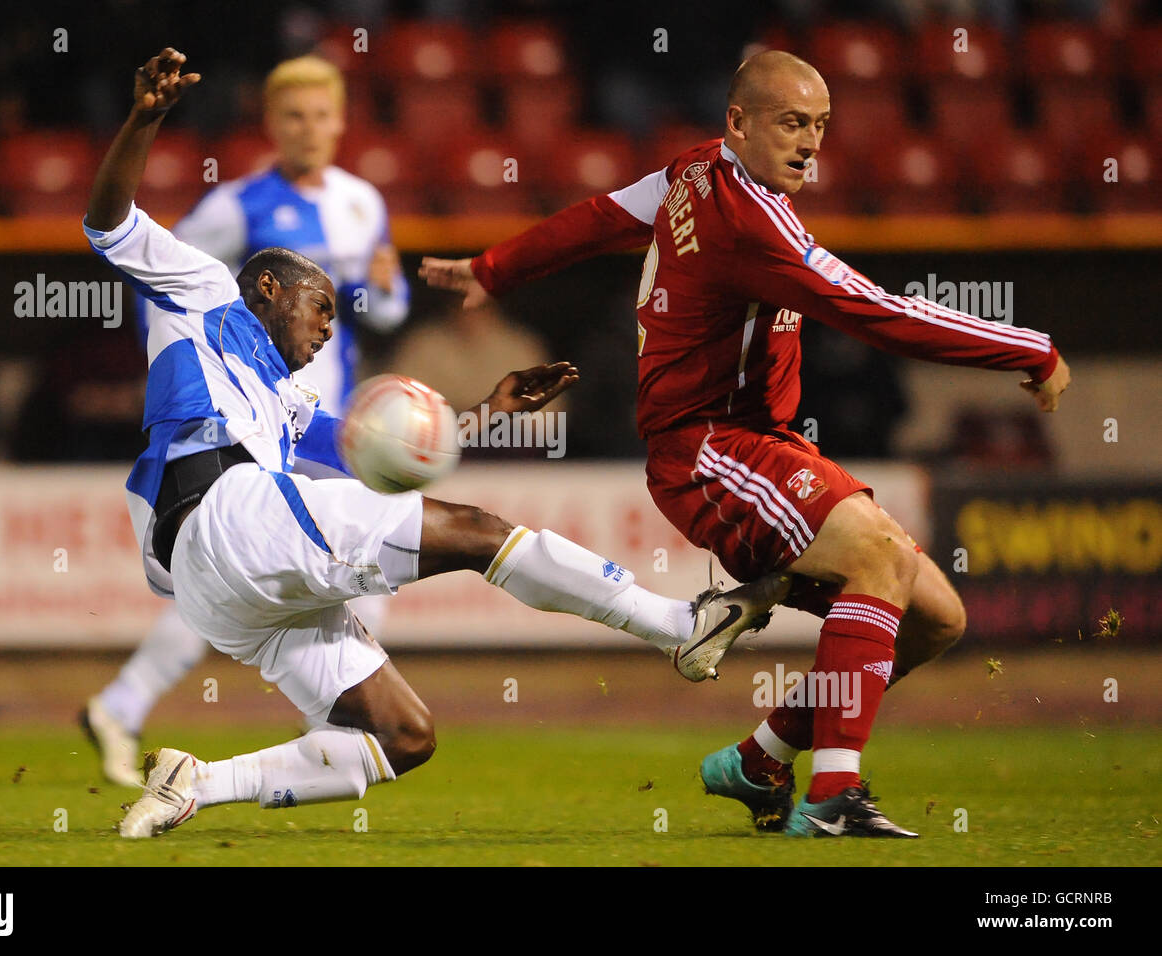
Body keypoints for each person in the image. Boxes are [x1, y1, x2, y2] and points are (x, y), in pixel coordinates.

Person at [90, 50, 784, 839]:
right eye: (320, 309)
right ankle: (677, 626)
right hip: (222, 510)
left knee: (403, 736)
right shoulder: (204, 290)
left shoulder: (281, 399)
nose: (327, 329)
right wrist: (144, 120)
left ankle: (197, 782)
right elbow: (108, 221)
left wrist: (487, 409)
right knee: (476, 530)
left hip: (215, 584)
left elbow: (357, 445)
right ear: (268, 288)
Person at [419, 49, 1072, 838]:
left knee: (936, 619)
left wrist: (497, 266)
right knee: (881, 560)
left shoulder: (696, 172)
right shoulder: (750, 220)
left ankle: (760, 759)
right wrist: (1028, 349)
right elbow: (878, 313)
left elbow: (602, 217)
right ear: (739, 123)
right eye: (793, 123)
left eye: (821, 127)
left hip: (760, 442)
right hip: (708, 449)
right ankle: (834, 796)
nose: (811, 144)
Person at [82, 53, 408, 786]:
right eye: (294, 116)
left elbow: (383, 307)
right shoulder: (235, 206)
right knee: (312, 566)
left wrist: (387, 292)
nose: (310, 128)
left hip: (327, 419)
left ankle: (127, 702)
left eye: (322, 114)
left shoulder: (363, 201)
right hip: (252, 423)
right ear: (273, 124)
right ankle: (331, 723)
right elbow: (156, 276)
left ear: (341, 121)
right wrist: (183, 372)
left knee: (311, 571)